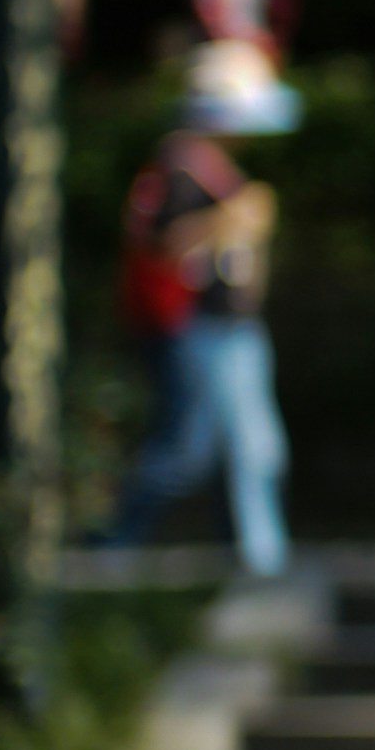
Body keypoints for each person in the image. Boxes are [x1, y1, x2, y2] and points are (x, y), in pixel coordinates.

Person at [100, 37, 295, 574]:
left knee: (251, 448)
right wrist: (233, 219)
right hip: (202, 329)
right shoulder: (184, 170)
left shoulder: (209, 167)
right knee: (190, 448)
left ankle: (261, 560)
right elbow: (169, 247)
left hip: (232, 329)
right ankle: (116, 545)